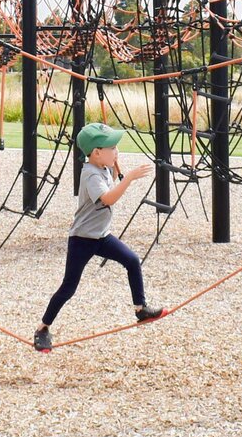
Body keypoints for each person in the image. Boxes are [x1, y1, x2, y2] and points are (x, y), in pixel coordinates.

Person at [34, 123, 163, 351]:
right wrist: (129, 178)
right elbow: (108, 199)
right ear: (96, 153)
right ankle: (43, 328)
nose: (116, 151)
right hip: (82, 240)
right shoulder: (90, 174)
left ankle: (140, 310)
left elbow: (109, 179)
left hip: (101, 237)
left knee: (132, 261)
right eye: (111, 147)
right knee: (68, 288)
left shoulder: (101, 168)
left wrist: (114, 166)